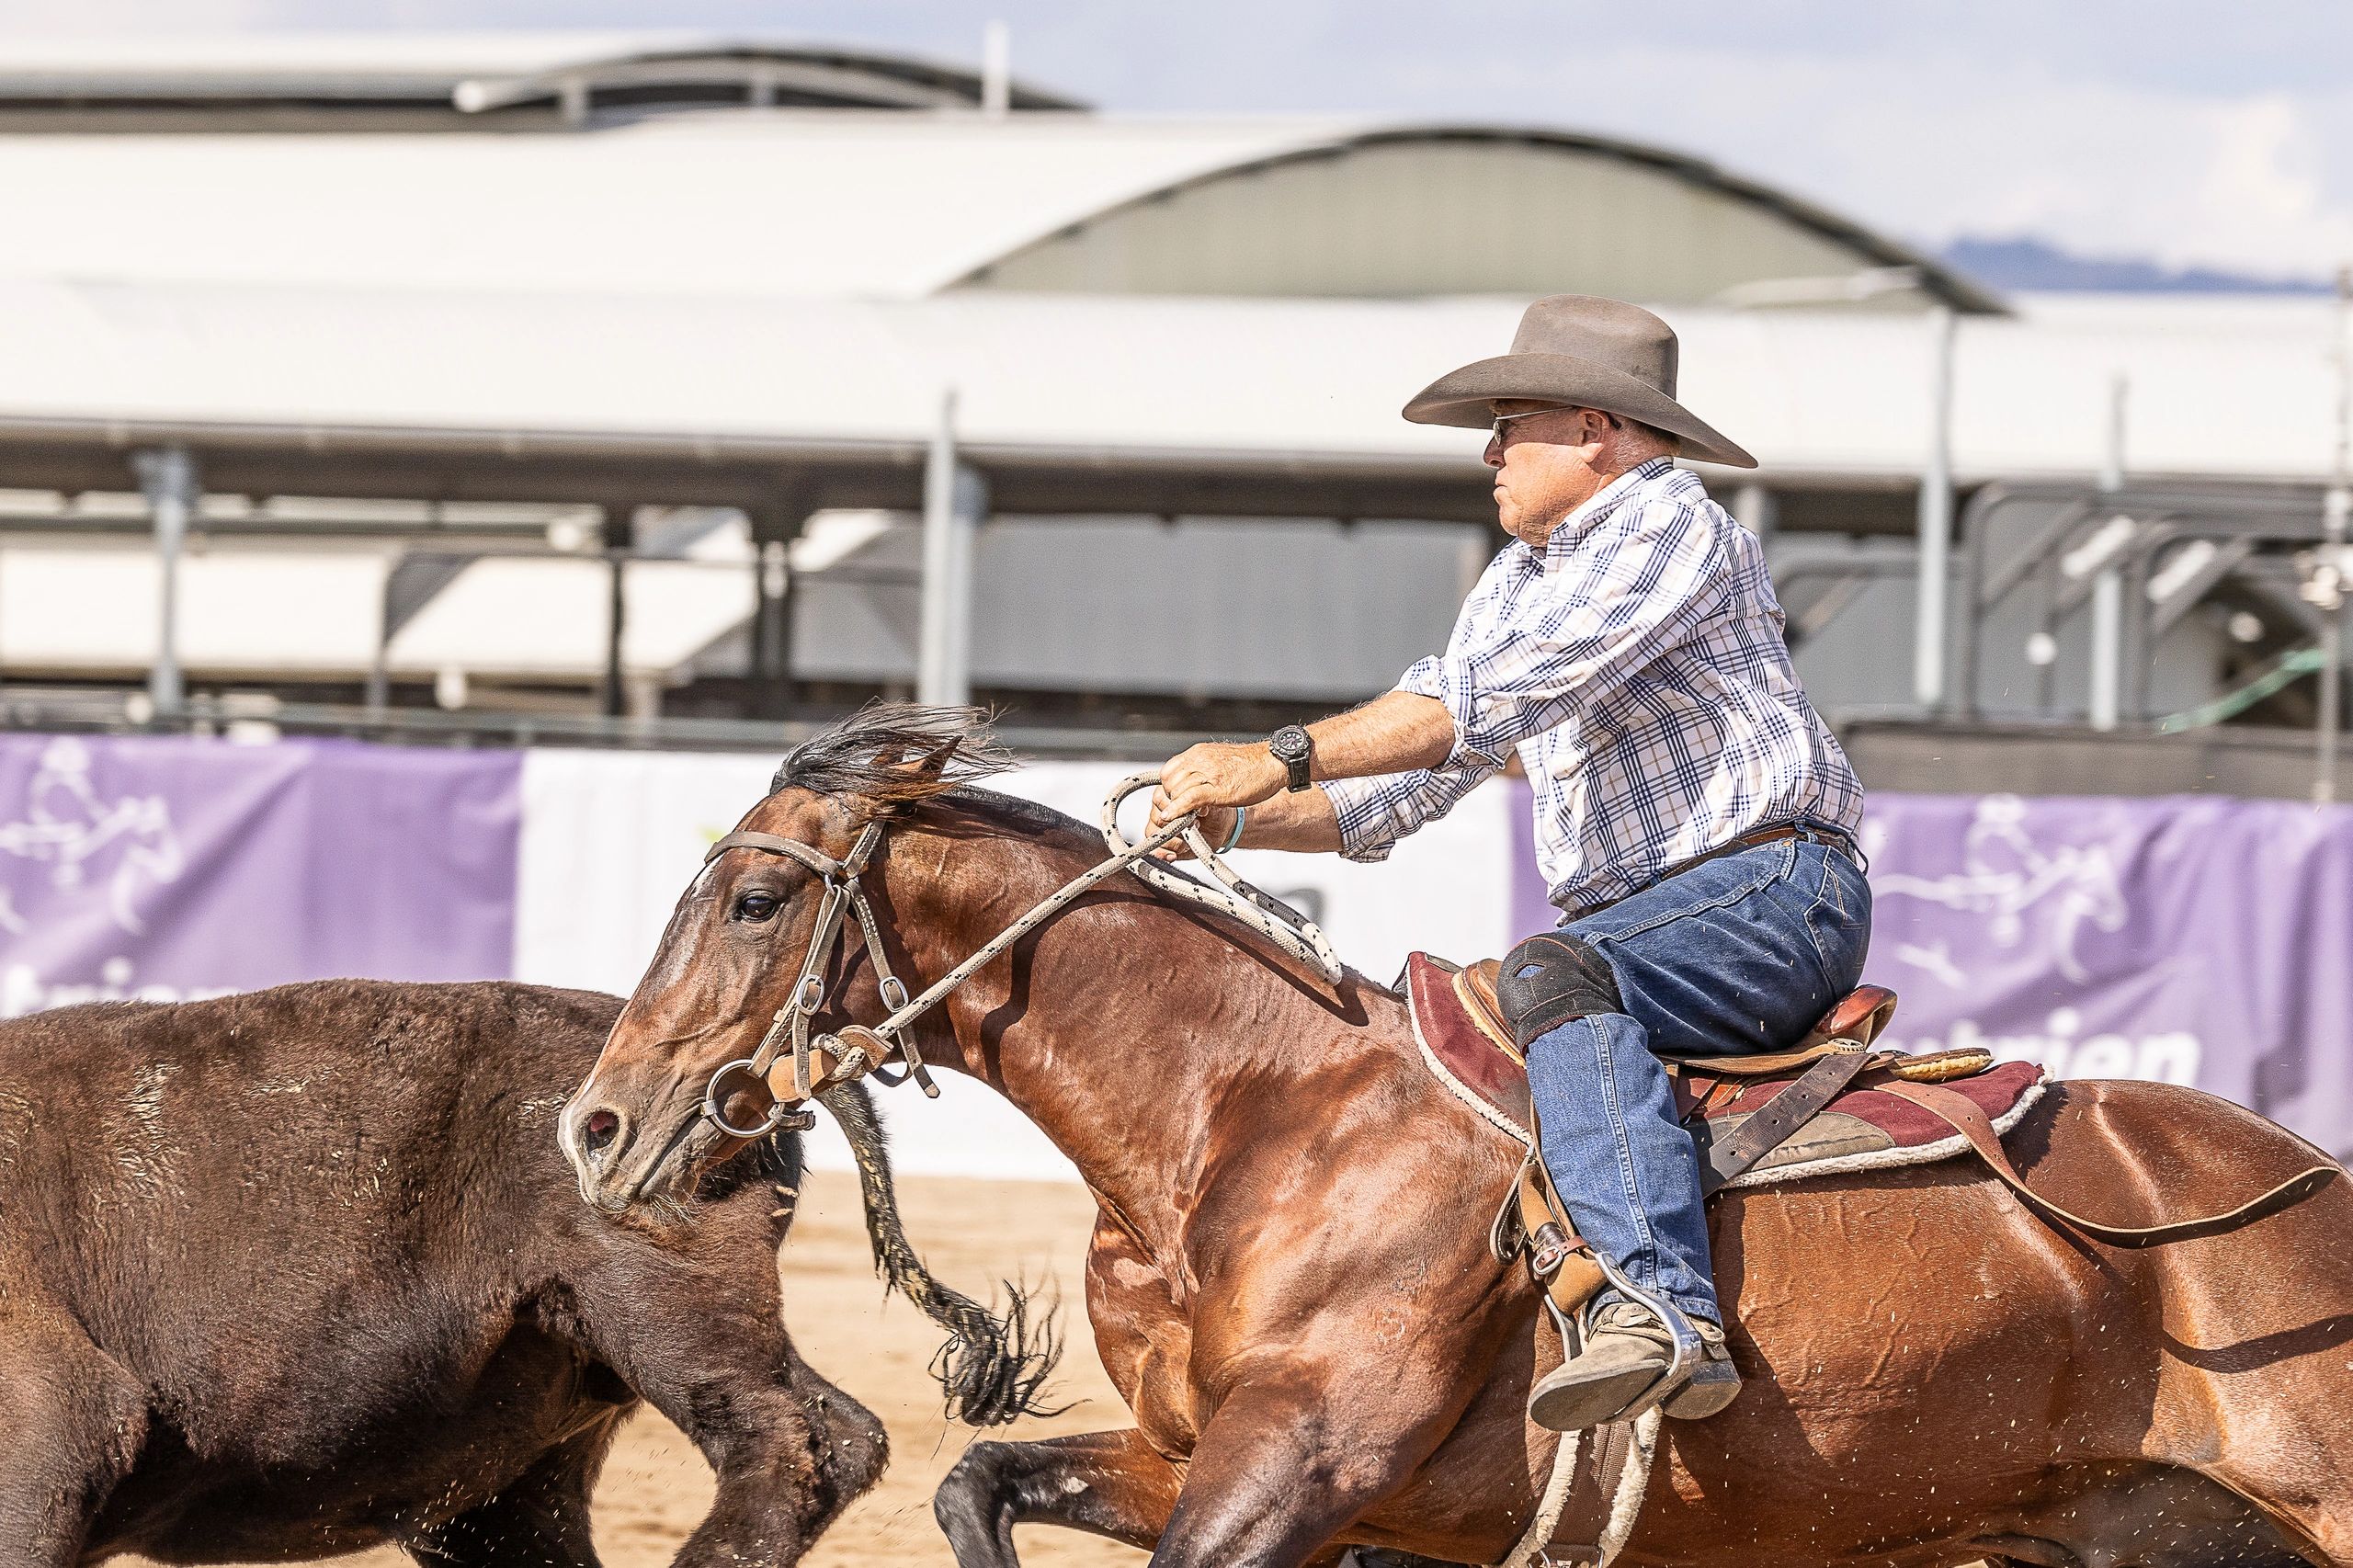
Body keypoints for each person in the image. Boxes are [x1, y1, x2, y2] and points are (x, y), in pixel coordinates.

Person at [1149, 294, 1870, 1432]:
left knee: (1548, 972)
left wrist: (1273, 756)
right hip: (1681, 911)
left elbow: (1476, 704)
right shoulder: (1522, 579)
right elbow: (1405, 789)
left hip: (1771, 893)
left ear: (1592, 429)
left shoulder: (1667, 522)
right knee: (1513, 1009)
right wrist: (1225, 826)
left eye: (1509, 422)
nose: (1488, 451)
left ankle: (1664, 1308)